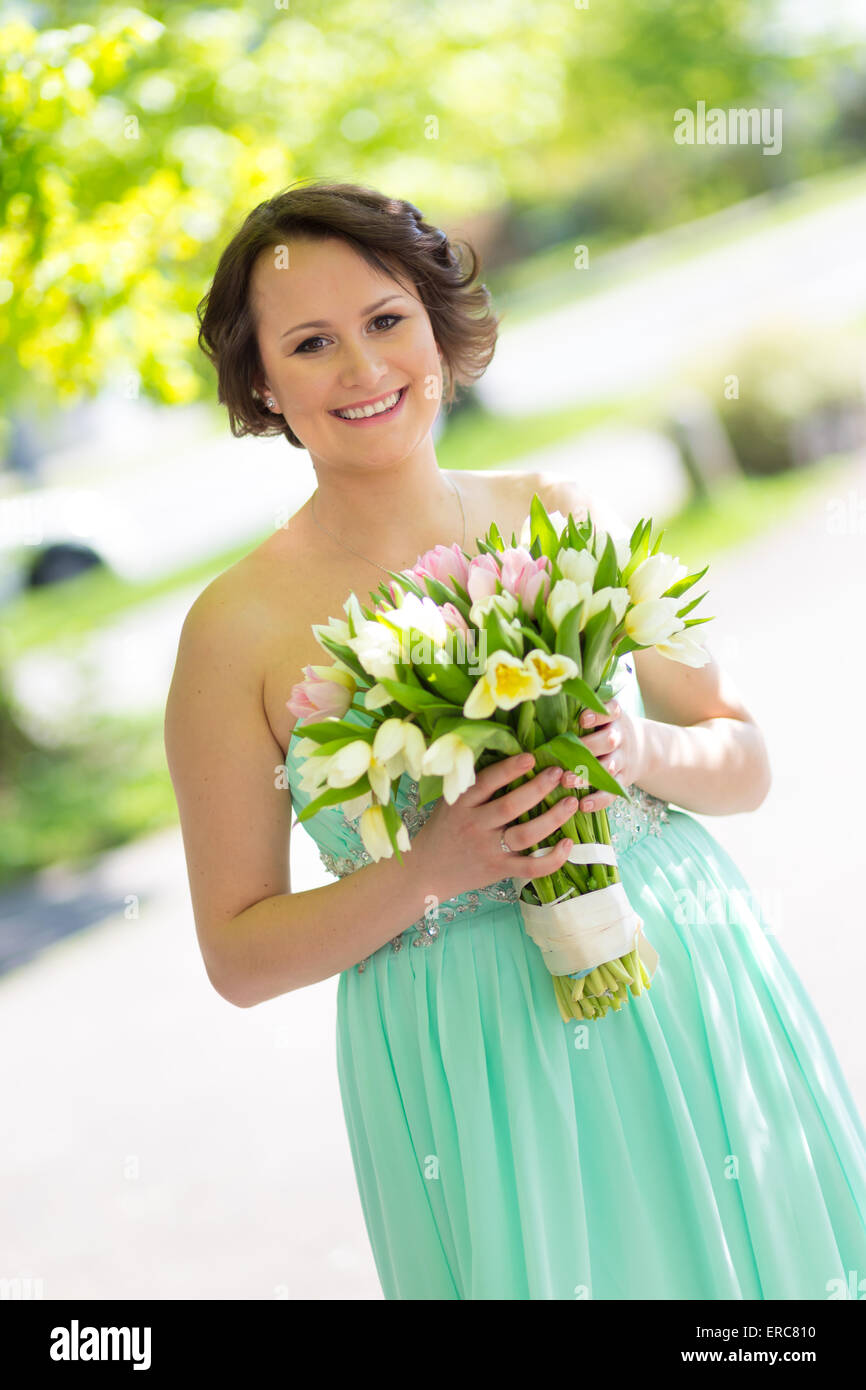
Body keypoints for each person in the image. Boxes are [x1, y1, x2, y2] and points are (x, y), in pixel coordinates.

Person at [165, 179, 866, 1299]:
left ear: (438, 329)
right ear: (260, 381)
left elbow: (742, 759)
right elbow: (240, 956)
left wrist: (634, 756)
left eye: (387, 321)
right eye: (309, 343)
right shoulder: (232, 631)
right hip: (471, 1054)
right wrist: (432, 868)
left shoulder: (555, 508)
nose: (362, 369)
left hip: (681, 971)